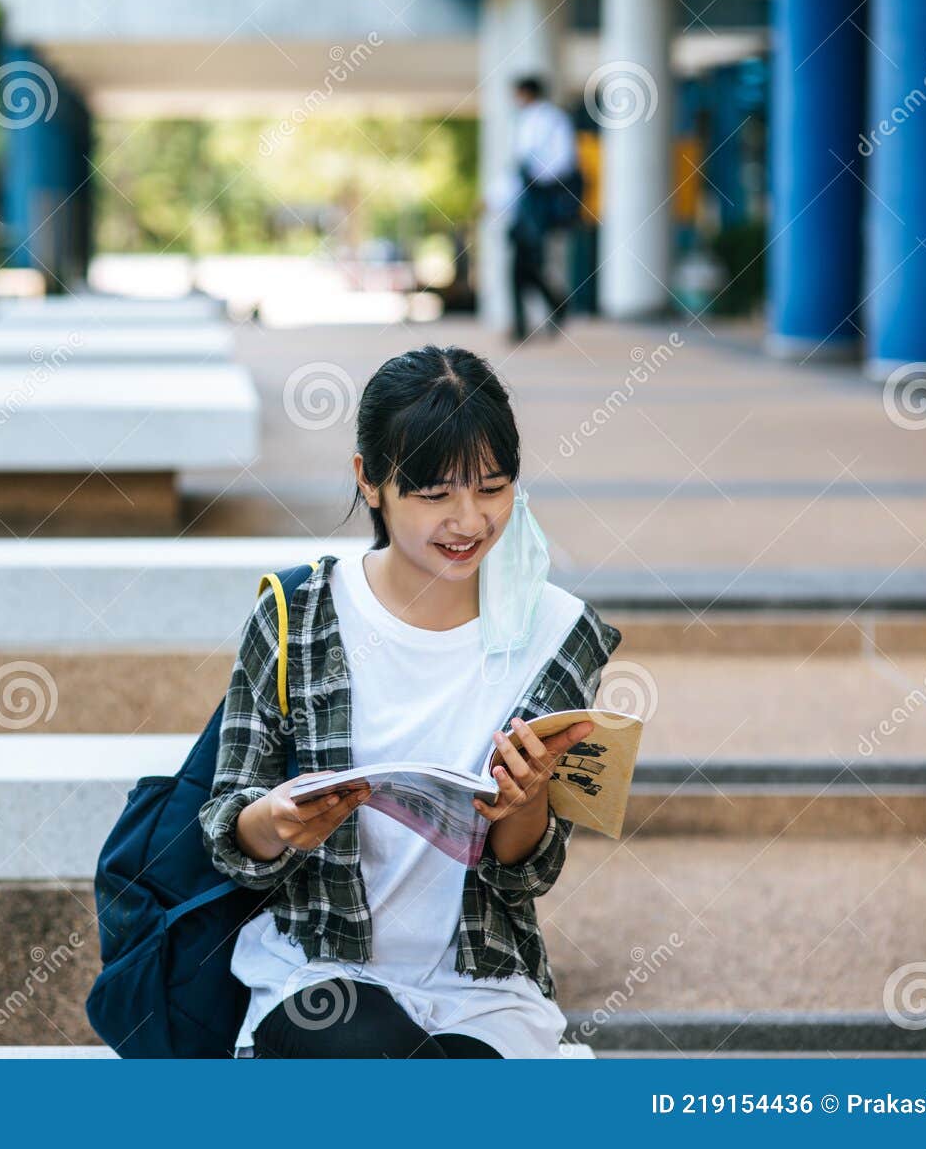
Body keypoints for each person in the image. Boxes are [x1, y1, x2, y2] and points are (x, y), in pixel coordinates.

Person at [199, 344, 622, 1058]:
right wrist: (272, 823)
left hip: (482, 986)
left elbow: (529, 873)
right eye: (434, 494)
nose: (469, 520)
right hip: (320, 971)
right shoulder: (297, 614)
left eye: (492, 487)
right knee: (365, 1054)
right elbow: (224, 828)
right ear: (370, 481)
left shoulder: (558, 633)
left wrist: (524, 805)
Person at [506, 75, 578, 342]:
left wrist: (537, 176)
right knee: (522, 263)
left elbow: (563, 161)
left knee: (526, 262)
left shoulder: (553, 119)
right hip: (527, 200)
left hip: (540, 198)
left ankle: (529, 321)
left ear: (526, 93)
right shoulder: (525, 121)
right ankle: (547, 310)